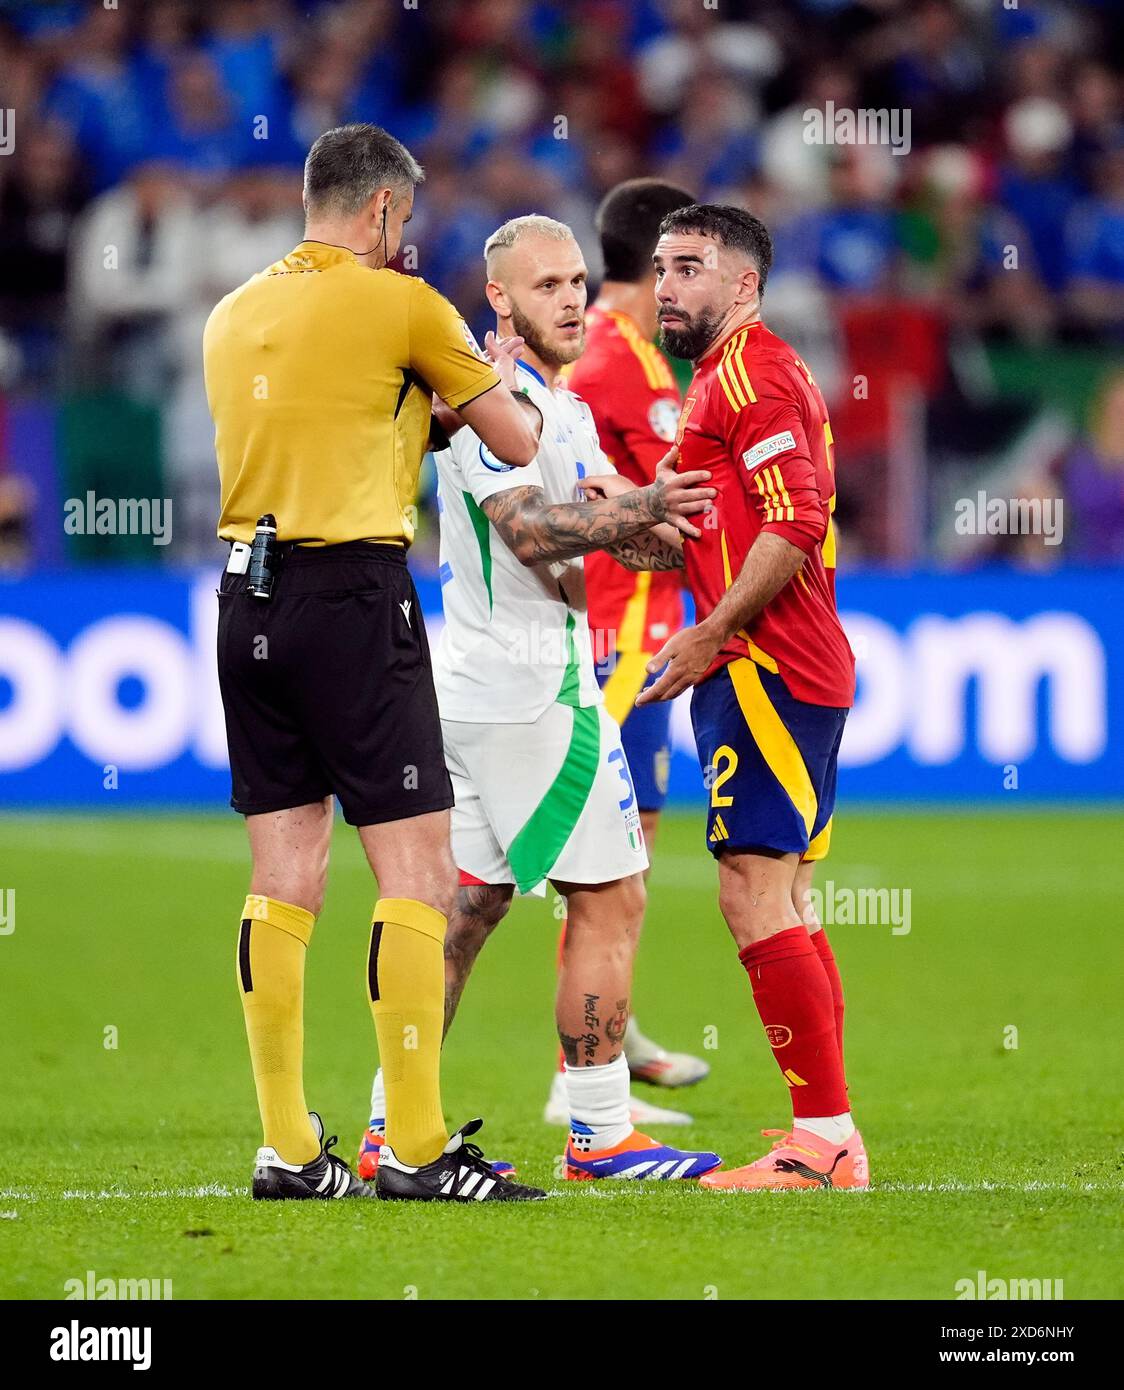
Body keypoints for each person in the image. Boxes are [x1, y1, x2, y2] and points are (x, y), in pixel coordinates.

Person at [204, 123, 545, 1203]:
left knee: (283, 877)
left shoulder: (233, 311)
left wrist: (412, 421)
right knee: (417, 876)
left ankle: (288, 1150)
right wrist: (484, 389)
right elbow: (520, 438)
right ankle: (413, 1145)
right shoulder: (403, 304)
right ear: (385, 213)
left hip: (246, 599)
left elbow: (328, 423)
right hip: (353, 596)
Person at [360, 214, 722, 1182]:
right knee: (612, 896)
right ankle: (600, 1134)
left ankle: (390, 1124)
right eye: (547, 286)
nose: (570, 299)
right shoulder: (488, 397)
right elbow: (531, 533)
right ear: (501, 300)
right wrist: (645, 507)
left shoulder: (558, 407)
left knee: (463, 909)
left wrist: (666, 517)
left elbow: (614, 523)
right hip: (533, 692)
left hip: (480, 693)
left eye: (575, 282)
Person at [641, 203, 868, 1191]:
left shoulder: (755, 373)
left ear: (743, 283)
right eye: (658, 267)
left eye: (688, 267)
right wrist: (636, 509)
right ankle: (833, 1137)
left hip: (765, 665)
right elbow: (714, 524)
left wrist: (713, 628)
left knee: (751, 890)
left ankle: (814, 1142)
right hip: (768, 659)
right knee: (785, 896)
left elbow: (796, 518)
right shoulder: (714, 383)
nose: (665, 286)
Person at [556, 177, 708, 1129]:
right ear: (658, 263)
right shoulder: (615, 364)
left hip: (642, 642)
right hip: (620, 640)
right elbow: (627, 501)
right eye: (688, 262)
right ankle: (575, 1078)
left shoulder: (636, 358)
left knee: (629, 861)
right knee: (600, 872)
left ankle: (615, 1034)